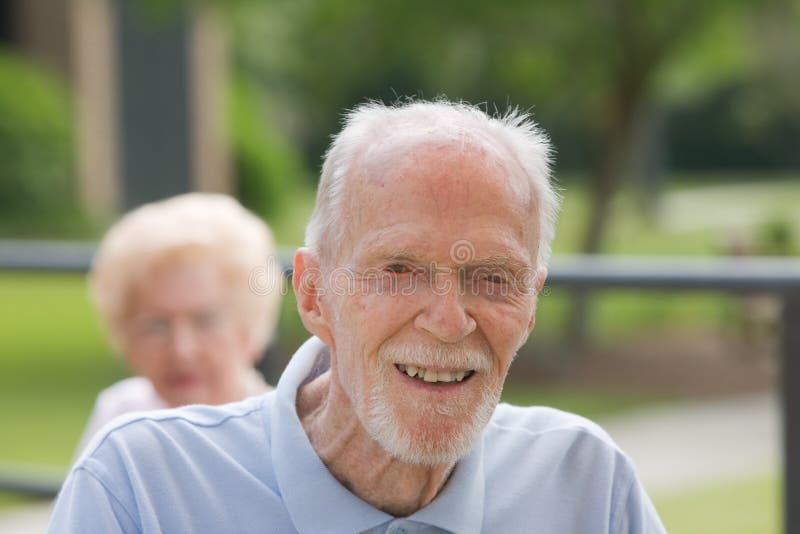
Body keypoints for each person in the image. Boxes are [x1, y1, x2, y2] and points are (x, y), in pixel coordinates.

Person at [50, 100, 665, 533]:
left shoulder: (584, 483)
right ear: (314, 294)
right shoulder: (143, 489)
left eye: (493, 279)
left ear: (530, 306)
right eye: (398, 271)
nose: (449, 320)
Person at [74, 192, 282, 453]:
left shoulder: (280, 432)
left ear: (248, 328)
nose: (181, 350)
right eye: (156, 325)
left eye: (206, 321)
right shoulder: (120, 413)